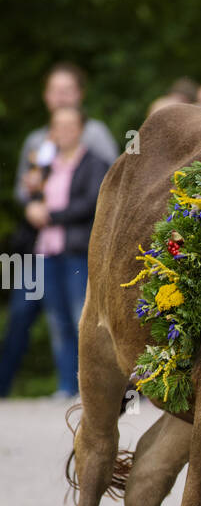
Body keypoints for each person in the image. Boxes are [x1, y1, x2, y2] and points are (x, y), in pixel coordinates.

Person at [2, 107, 110, 398]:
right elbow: (29, 197)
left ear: (80, 129)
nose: (62, 132)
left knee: (81, 319)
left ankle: (91, 389)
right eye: (57, 126)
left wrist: (51, 215)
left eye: (69, 126)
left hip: (76, 250)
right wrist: (33, 200)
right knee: (57, 320)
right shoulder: (45, 164)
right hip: (45, 252)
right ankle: (66, 385)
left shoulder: (94, 163)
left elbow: (91, 203)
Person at [14, 63, 117, 207]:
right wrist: (31, 199)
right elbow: (20, 190)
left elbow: (114, 180)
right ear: (45, 95)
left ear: (81, 94)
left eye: (67, 90)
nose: (61, 97)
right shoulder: (35, 140)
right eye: (55, 90)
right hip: (44, 224)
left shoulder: (96, 133)